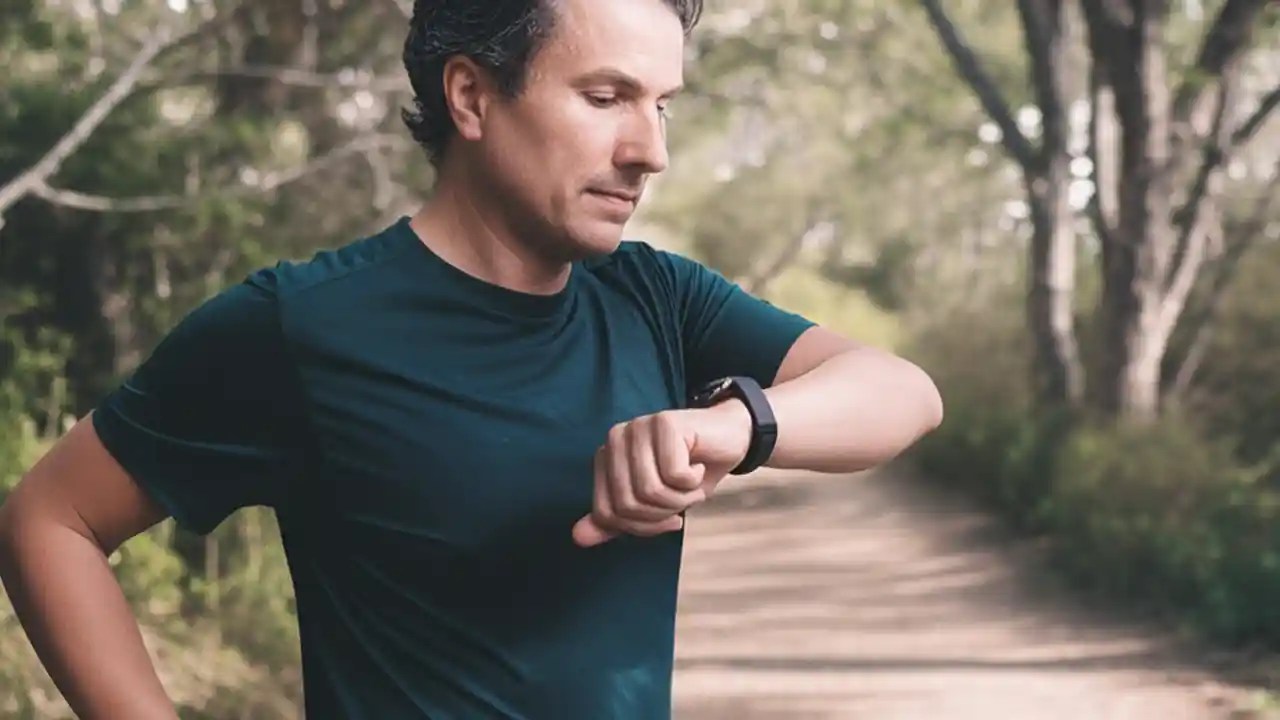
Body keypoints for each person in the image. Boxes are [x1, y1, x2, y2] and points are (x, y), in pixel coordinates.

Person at [0, 0, 944, 717]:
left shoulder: (657, 299)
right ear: (471, 96)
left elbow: (901, 395)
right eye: (606, 96)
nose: (650, 150)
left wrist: (732, 423)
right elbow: (50, 518)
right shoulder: (302, 326)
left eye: (663, 106)